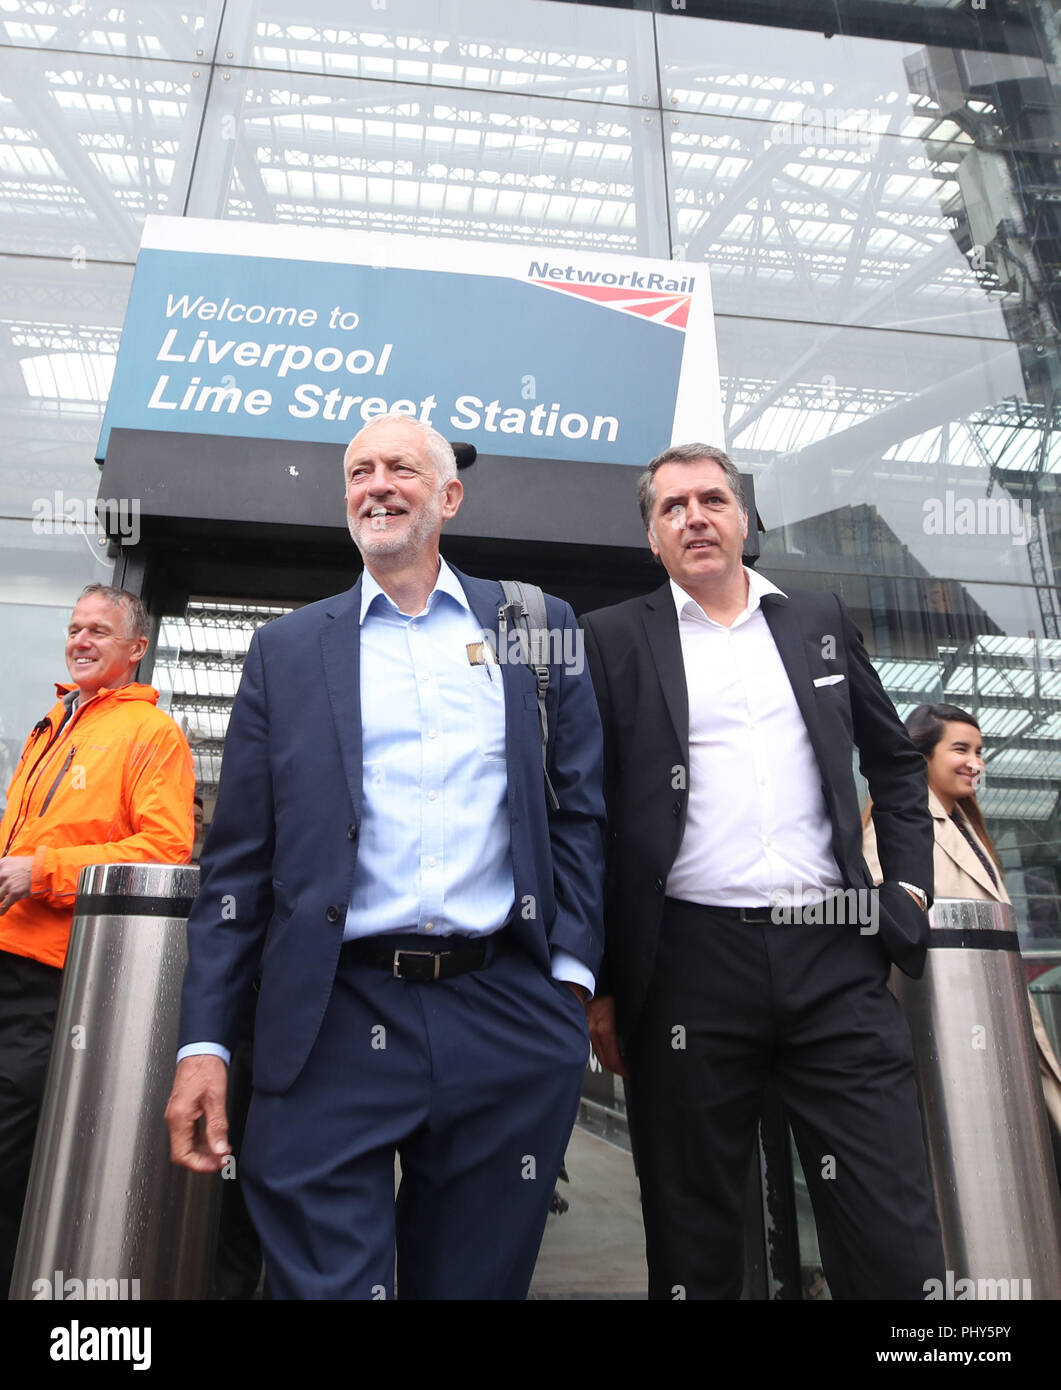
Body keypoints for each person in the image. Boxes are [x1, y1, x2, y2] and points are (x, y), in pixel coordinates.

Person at [165, 413, 604, 1300]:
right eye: (359, 471)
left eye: (400, 468)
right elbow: (239, 865)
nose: (376, 485)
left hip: (503, 1012)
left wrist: (567, 982)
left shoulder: (535, 625)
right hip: (329, 1013)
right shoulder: (287, 652)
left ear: (448, 497)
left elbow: (582, 812)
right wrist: (204, 1041)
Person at [580, 442, 944, 1300]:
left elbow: (894, 764)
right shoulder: (610, 640)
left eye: (712, 500)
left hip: (835, 955)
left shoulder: (816, 617)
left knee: (889, 1221)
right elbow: (584, 816)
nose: (694, 518)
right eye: (672, 508)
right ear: (651, 537)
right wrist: (601, 981)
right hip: (685, 965)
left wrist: (908, 891)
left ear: (744, 520)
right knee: (693, 1230)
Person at [0, 583, 194, 1294]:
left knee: (13, 1156)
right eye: (75, 629)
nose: (80, 641)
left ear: (136, 649)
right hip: (7, 961)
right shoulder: (53, 722)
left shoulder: (151, 734)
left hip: (55, 978)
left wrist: (44, 871)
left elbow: (166, 852)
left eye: (99, 633)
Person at [863, 702, 1061, 1162]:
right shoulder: (896, 827)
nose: (976, 762)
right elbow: (883, 922)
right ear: (921, 756)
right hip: (952, 1029)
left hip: (995, 1024)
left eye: (980, 750)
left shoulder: (966, 822)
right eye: (960, 749)